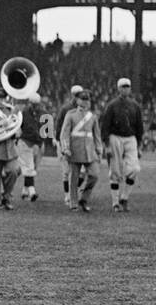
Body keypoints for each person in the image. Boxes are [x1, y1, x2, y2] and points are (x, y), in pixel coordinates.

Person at [100, 77, 143, 212]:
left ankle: (124, 198)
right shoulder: (112, 105)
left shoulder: (135, 105)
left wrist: (139, 145)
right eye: (123, 87)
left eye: (128, 87)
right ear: (118, 88)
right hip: (115, 138)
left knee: (135, 169)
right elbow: (105, 126)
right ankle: (115, 202)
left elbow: (139, 127)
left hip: (131, 138)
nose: (126, 89)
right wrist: (106, 144)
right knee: (115, 171)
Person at [59, 87, 103, 213]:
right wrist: (66, 148)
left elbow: (97, 135)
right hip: (74, 150)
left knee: (94, 175)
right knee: (74, 178)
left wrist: (99, 150)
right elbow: (64, 133)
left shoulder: (92, 116)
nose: (85, 102)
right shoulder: (71, 114)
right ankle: (73, 203)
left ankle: (83, 198)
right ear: (77, 100)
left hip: (89, 151)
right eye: (83, 99)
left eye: (87, 100)